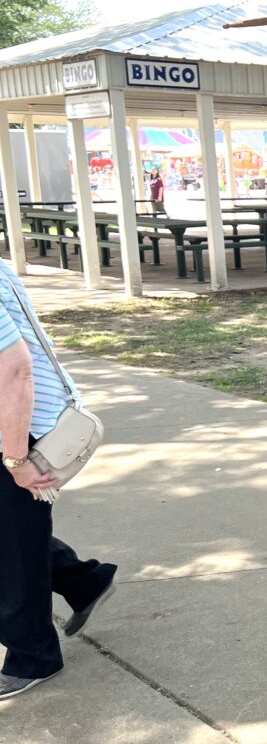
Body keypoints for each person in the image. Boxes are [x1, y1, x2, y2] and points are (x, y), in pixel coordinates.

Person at [0, 257, 118, 701]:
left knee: (11, 545)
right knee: (14, 536)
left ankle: (33, 655)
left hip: (20, 430)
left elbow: (14, 368)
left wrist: (15, 458)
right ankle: (82, 580)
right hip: (22, 423)